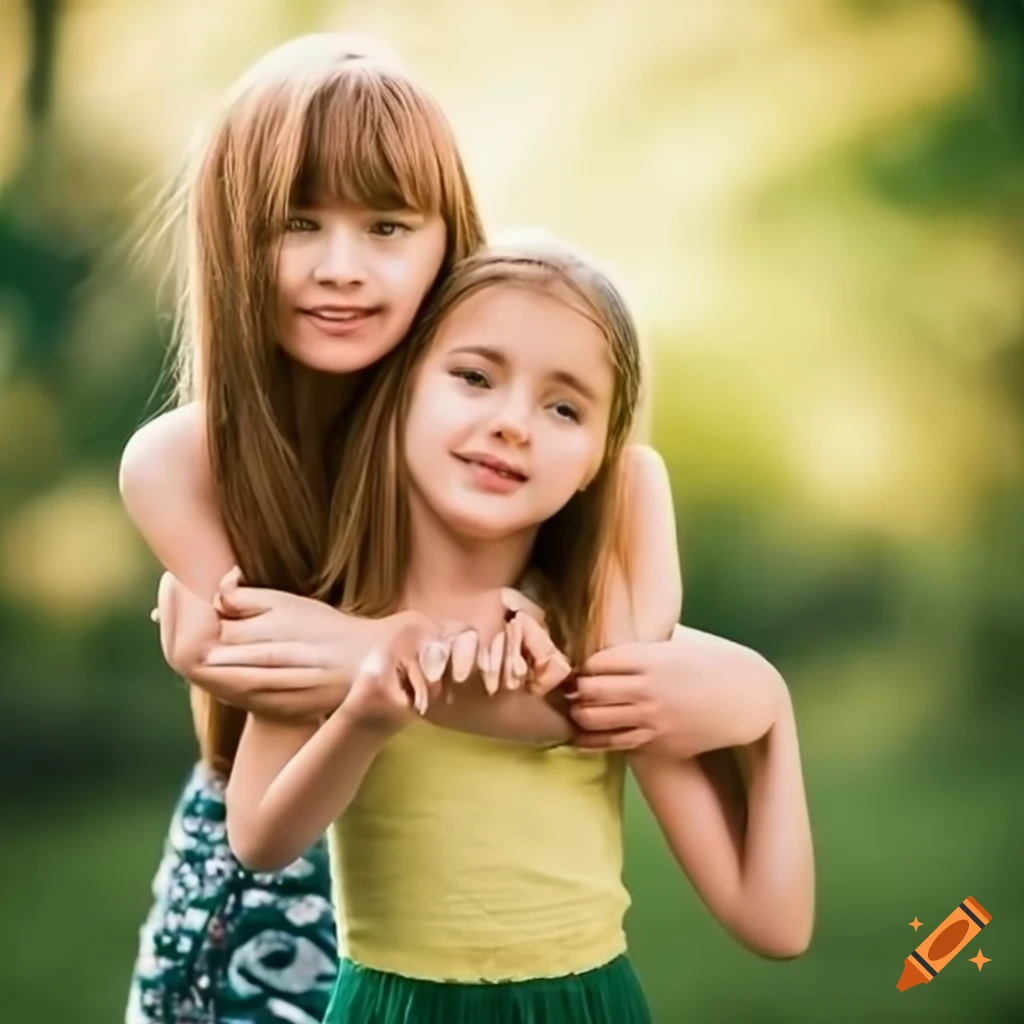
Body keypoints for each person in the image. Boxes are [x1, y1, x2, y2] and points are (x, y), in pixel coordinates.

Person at [120, 35, 680, 1024]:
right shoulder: (182, 463)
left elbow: (594, 689)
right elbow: (271, 673)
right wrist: (407, 654)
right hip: (268, 868)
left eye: (386, 224)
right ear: (230, 233)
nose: (341, 267)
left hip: (461, 870)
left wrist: (735, 686)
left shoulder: (482, 436)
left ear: (446, 235)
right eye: (297, 223)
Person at [208, 237, 812, 1023]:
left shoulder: (600, 647)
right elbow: (259, 837)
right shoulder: (329, 609)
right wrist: (367, 713)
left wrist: (772, 716)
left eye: (565, 407)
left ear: (600, 457)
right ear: (398, 391)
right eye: (473, 376)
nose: (512, 424)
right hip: (391, 1007)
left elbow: (775, 921)